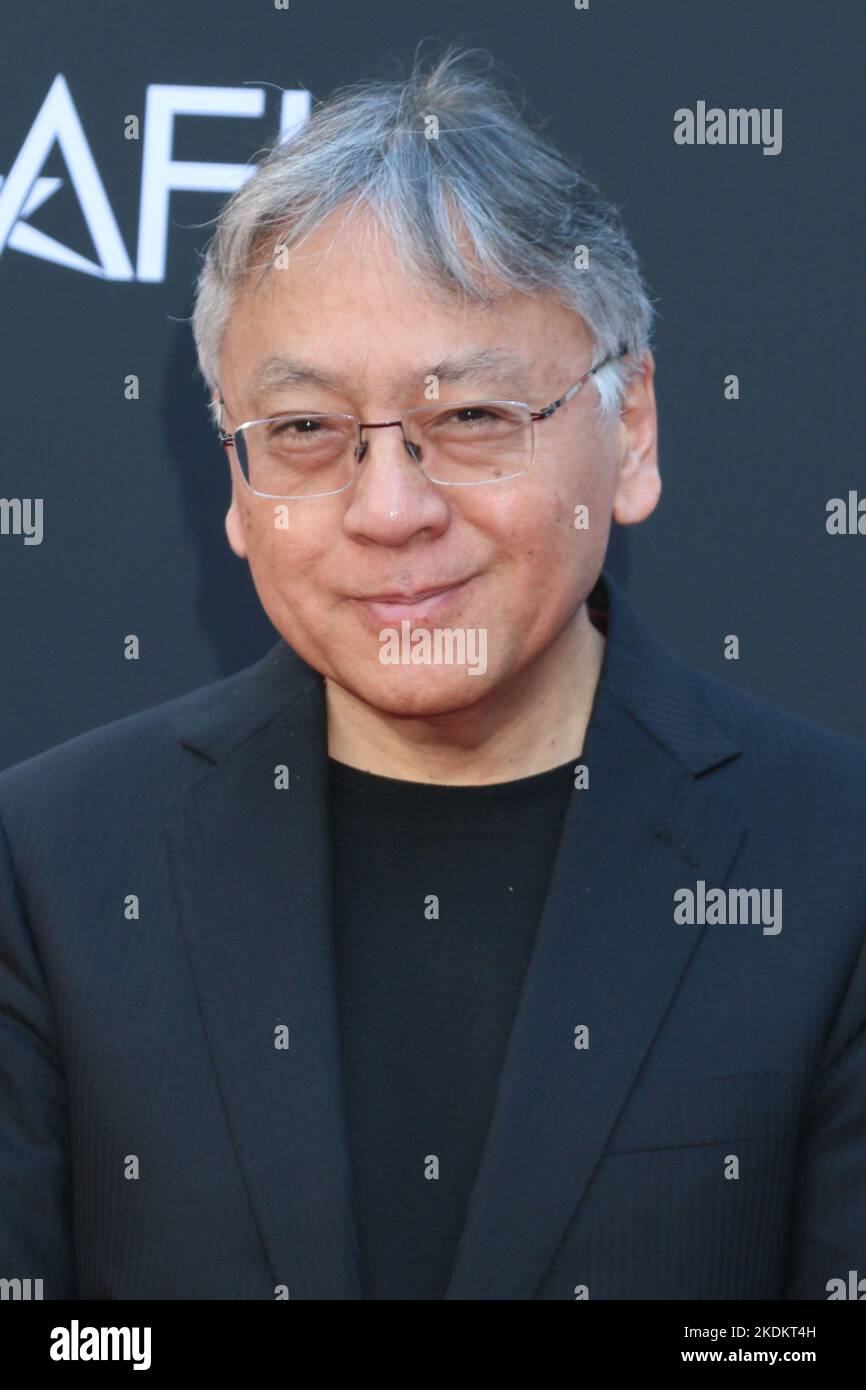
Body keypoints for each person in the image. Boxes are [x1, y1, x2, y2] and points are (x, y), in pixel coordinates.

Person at [1, 46, 864, 1301]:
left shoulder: (832, 860)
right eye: (304, 432)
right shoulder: (53, 866)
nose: (389, 510)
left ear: (629, 432)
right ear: (234, 484)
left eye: (468, 418)